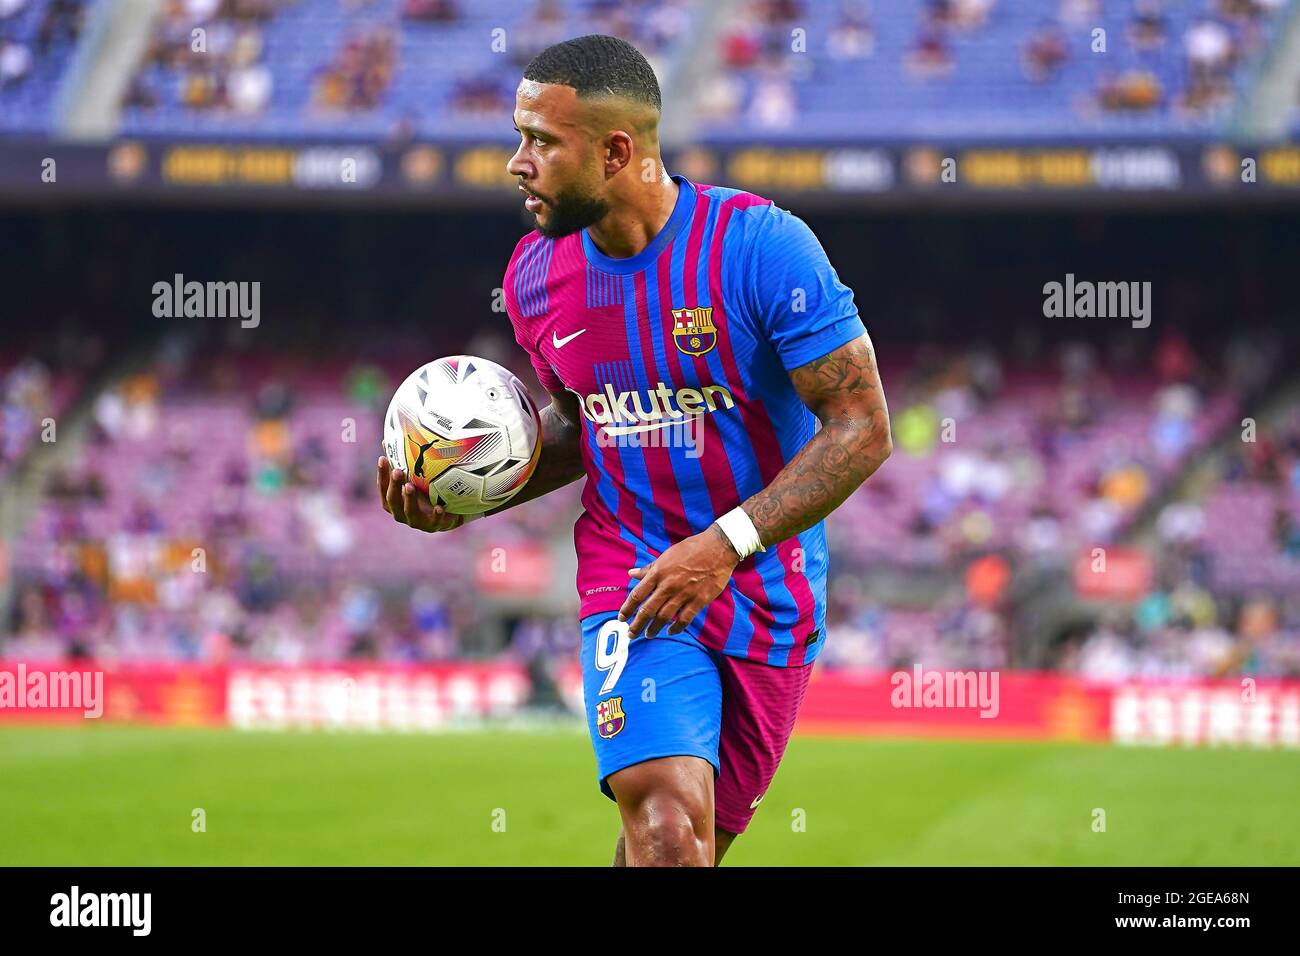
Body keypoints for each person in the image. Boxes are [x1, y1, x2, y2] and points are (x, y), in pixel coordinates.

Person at [377, 34, 892, 866]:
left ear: (617, 151)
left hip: (768, 589)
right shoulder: (534, 277)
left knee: (687, 848)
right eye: (518, 137)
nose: (517, 162)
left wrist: (724, 546)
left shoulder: (761, 249)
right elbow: (586, 429)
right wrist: (467, 499)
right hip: (633, 575)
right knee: (663, 829)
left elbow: (862, 428)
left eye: (541, 141)